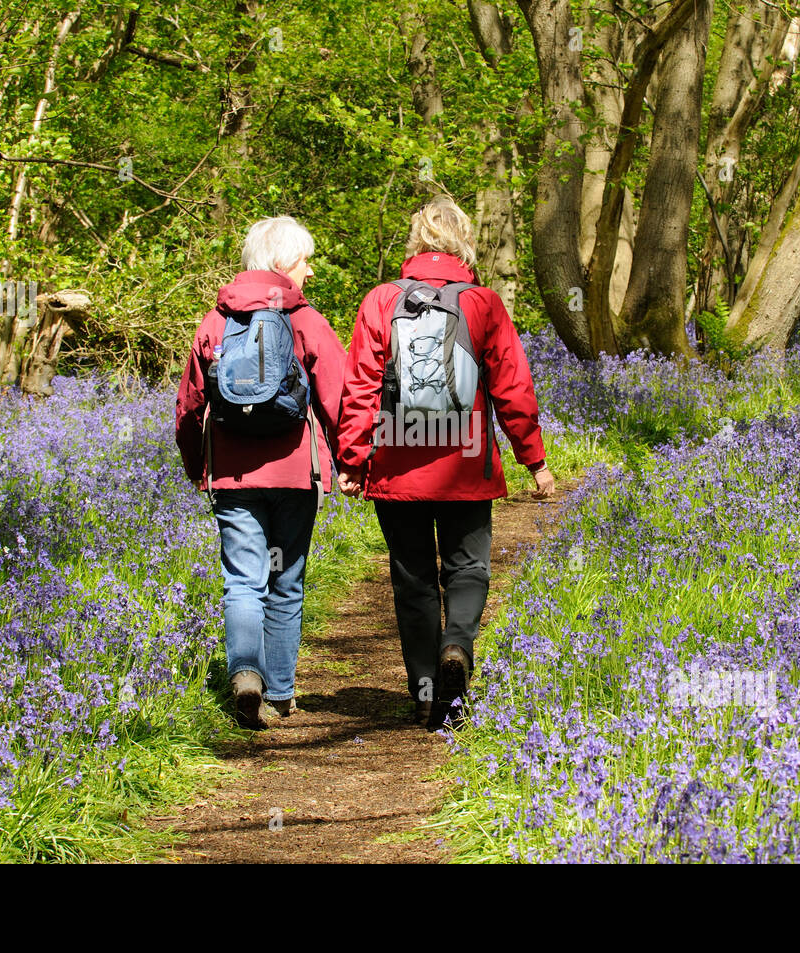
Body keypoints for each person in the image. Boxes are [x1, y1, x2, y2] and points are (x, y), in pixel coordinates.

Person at [337, 196, 554, 728]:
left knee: (413, 578)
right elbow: (512, 389)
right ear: (464, 242)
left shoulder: (381, 301)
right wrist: (535, 460)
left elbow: (360, 385)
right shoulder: (483, 303)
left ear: (416, 241)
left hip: (396, 459)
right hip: (467, 460)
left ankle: (427, 693)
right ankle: (456, 646)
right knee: (468, 567)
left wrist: (351, 457)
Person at [176, 216, 346, 729]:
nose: (310, 271)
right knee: (285, 580)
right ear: (281, 264)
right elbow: (339, 395)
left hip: (233, 477)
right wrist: (351, 461)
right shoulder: (304, 320)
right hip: (295, 474)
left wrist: (197, 465)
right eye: (304, 261)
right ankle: (279, 693)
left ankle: (244, 672)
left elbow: (188, 404)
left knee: (242, 582)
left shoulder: (216, 320)